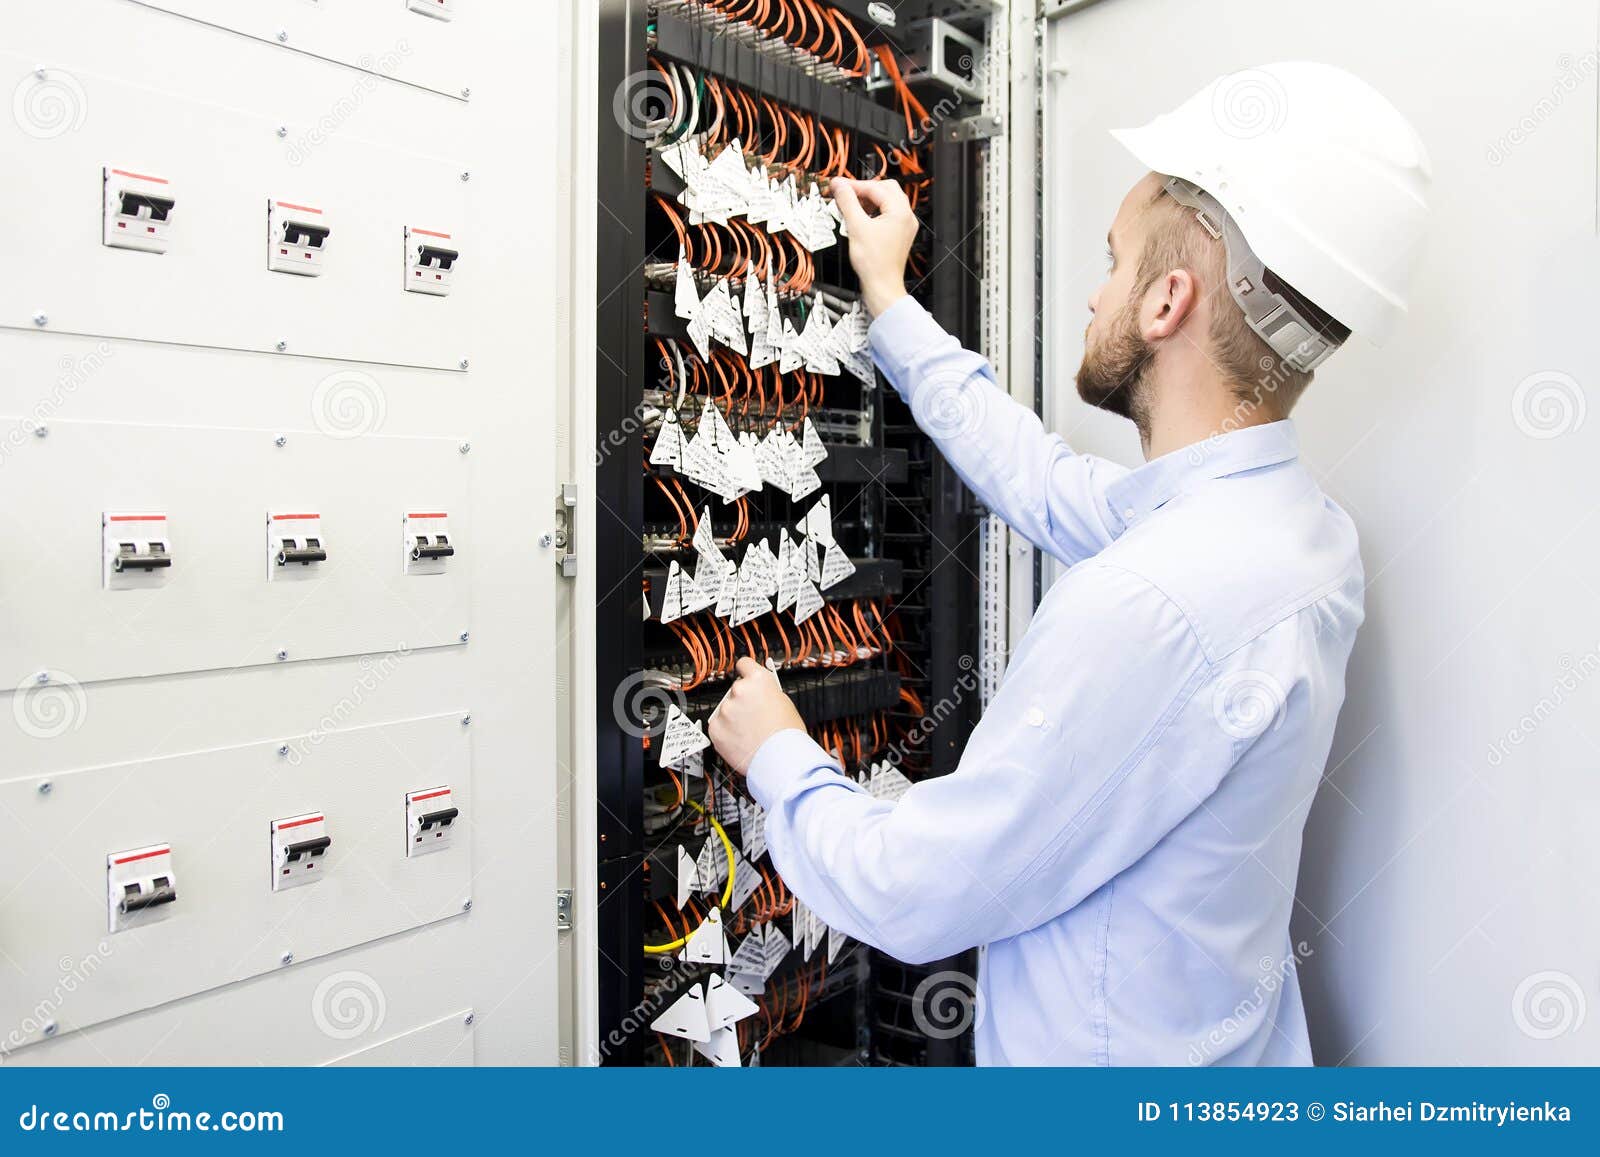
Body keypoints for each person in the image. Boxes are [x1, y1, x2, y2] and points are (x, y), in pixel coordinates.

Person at [708, 62, 1431, 1065]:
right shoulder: (1298, 530)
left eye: (1113, 261)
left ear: (1166, 301)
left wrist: (780, 752)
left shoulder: (1152, 600)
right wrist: (891, 302)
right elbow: (1045, 481)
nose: (1095, 293)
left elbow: (909, 891)